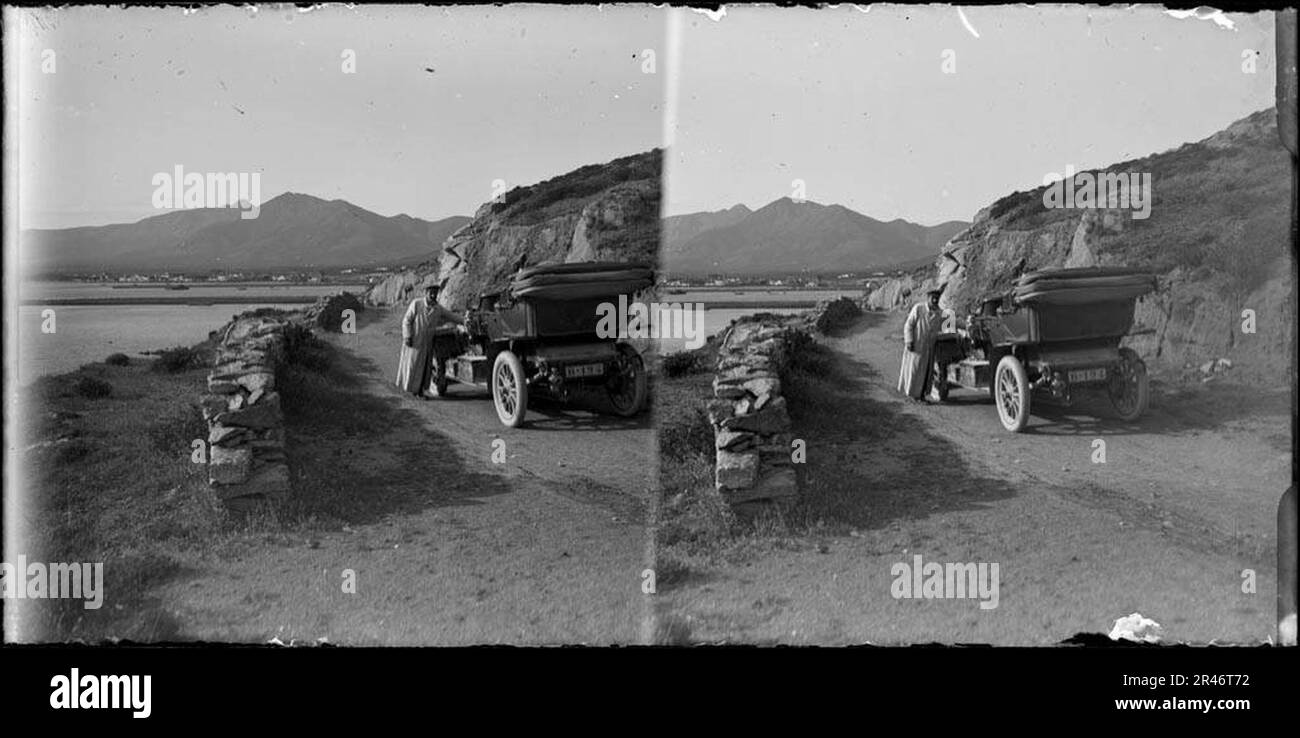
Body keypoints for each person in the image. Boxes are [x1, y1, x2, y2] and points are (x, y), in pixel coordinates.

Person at [396, 283, 464, 400]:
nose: (433, 295)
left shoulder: (438, 309)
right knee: (411, 367)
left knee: (424, 369)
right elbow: (407, 320)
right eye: (431, 292)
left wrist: (464, 320)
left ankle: (420, 392)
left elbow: (451, 316)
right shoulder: (416, 304)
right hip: (414, 342)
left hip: (427, 344)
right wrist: (407, 336)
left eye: (435, 293)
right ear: (426, 293)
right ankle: (409, 390)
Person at [898, 287, 946, 402]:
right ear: (928, 298)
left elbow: (953, 323)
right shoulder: (918, 308)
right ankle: (913, 395)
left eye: (937, 298)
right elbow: (908, 325)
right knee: (914, 372)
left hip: (929, 349)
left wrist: (968, 324)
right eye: (933, 298)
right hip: (916, 347)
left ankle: (922, 396)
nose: (935, 300)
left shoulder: (940, 313)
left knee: (926, 374)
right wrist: (909, 340)